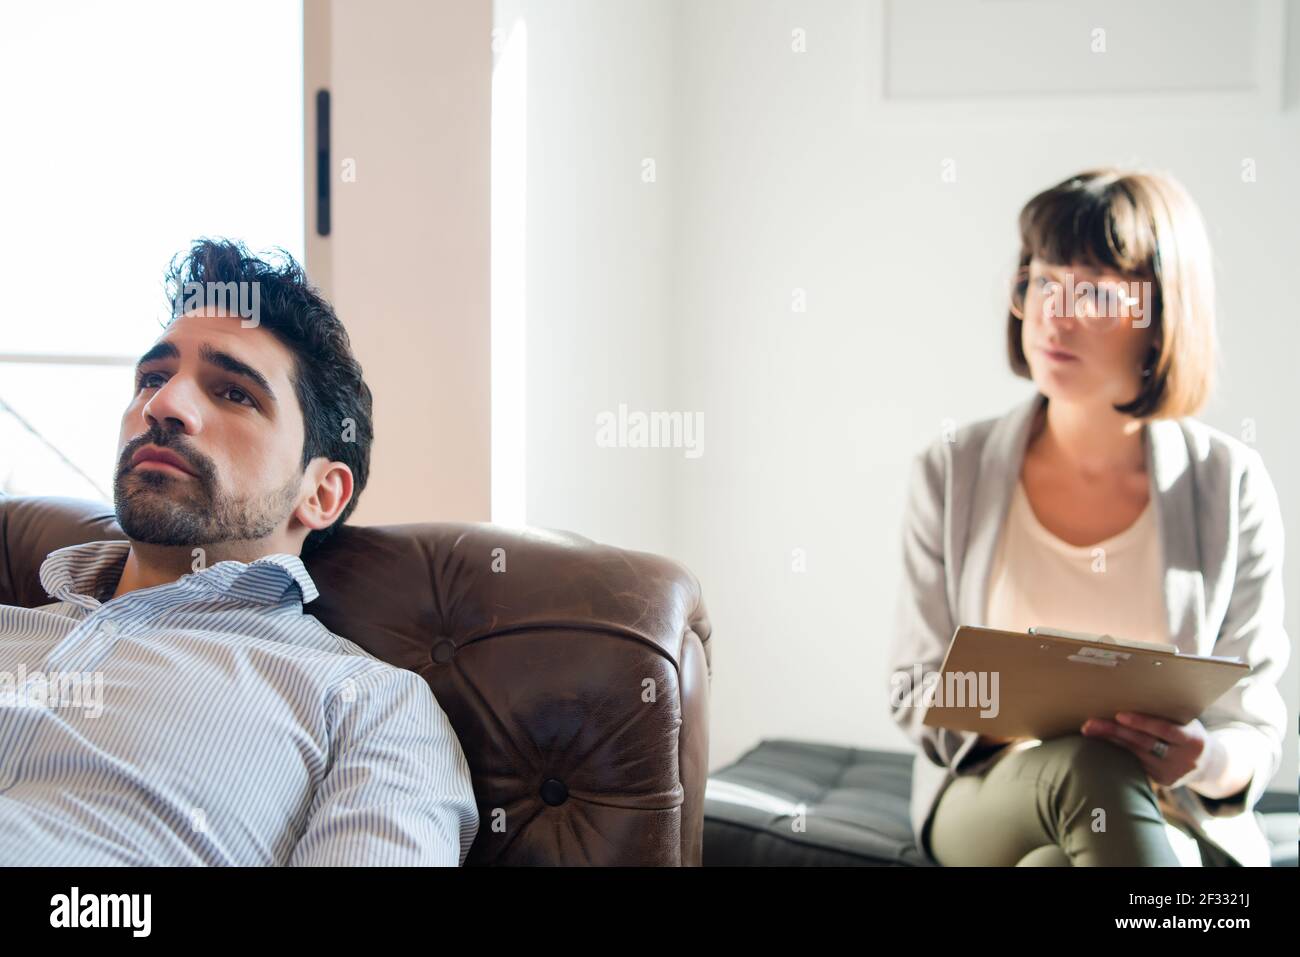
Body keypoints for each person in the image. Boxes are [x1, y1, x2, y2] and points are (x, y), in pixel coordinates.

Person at [0, 239, 479, 865]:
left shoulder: (367, 705)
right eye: (151, 377)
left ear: (320, 492)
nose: (162, 405)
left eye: (234, 393)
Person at [887, 169, 1288, 866]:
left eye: (1096, 292)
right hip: (994, 794)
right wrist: (1019, 710)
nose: (1055, 315)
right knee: (1087, 769)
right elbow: (914, 688)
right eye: (1044, 281)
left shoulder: (1229, 486)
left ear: (1162, 319)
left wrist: (1198, 756)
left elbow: (1250, 730)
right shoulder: (951, 471)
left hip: (1167, 817)